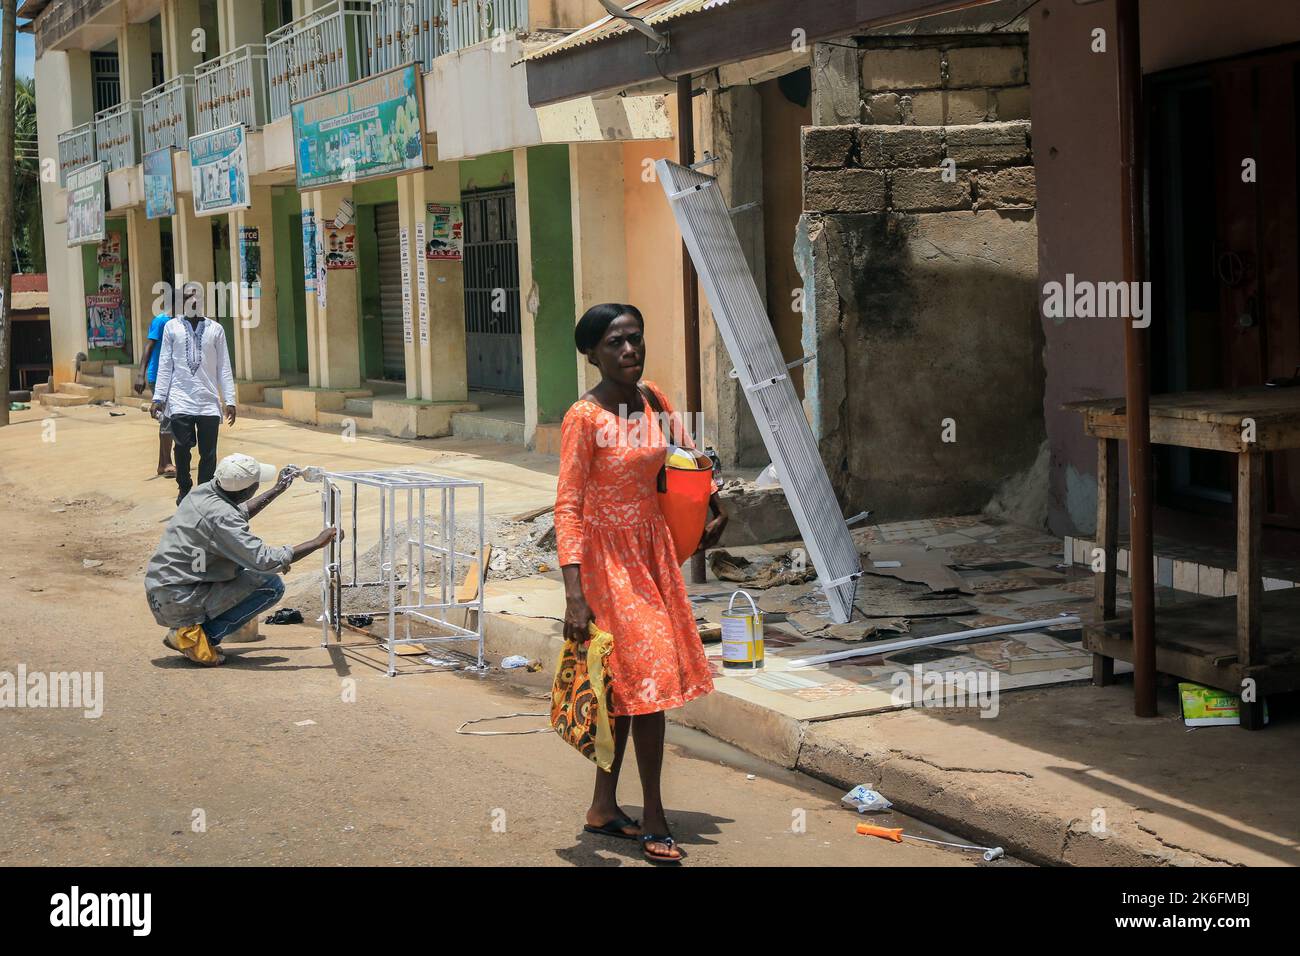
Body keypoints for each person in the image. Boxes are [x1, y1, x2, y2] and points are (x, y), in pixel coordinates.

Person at [555, 303, 729, 865]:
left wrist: (709, 503)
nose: (629, 351)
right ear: (592, 354)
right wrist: (574, 593)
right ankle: (654, 814)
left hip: (652, 552)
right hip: (605, 564)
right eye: (614, 343)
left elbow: (686, 459)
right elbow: (568, 505)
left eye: (635, 338)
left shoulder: (652, 398)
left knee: (626, 686)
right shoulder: (584, 417)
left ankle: (603, 808)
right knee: (649, 680)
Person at [145, 453, 339, 667]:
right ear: (246, 490)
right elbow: (266, 561)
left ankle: (190, 630)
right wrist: (316, 542)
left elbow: (237, 512)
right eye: (256, 484)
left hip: (164, 588)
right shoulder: (222, 517)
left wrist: (277, 490)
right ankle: (195, 638)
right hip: (179, 598)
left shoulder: (204, 492)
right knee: (271, 585)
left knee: (241, 571)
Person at [150, 283, 237, 505]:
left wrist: (230, 400)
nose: (194, 301)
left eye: (197, 296)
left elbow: (223, 367)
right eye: (188, 297)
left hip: (208, 401)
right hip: (180, 400)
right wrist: (158, 398)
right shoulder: (171, 327)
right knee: (182, 447)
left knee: (209, 453)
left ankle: (204, 494)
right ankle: (184, 486)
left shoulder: (216, 329)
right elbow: (165, 363)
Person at [134, 311, 175, 478]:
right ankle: (166, 463)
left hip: (174, 378)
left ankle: (162, 464)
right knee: (168, 418)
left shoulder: (181, 322)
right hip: (159, 377)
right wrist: (140, 375)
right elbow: (149, 346)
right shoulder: (161, 321)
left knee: (169, 418)